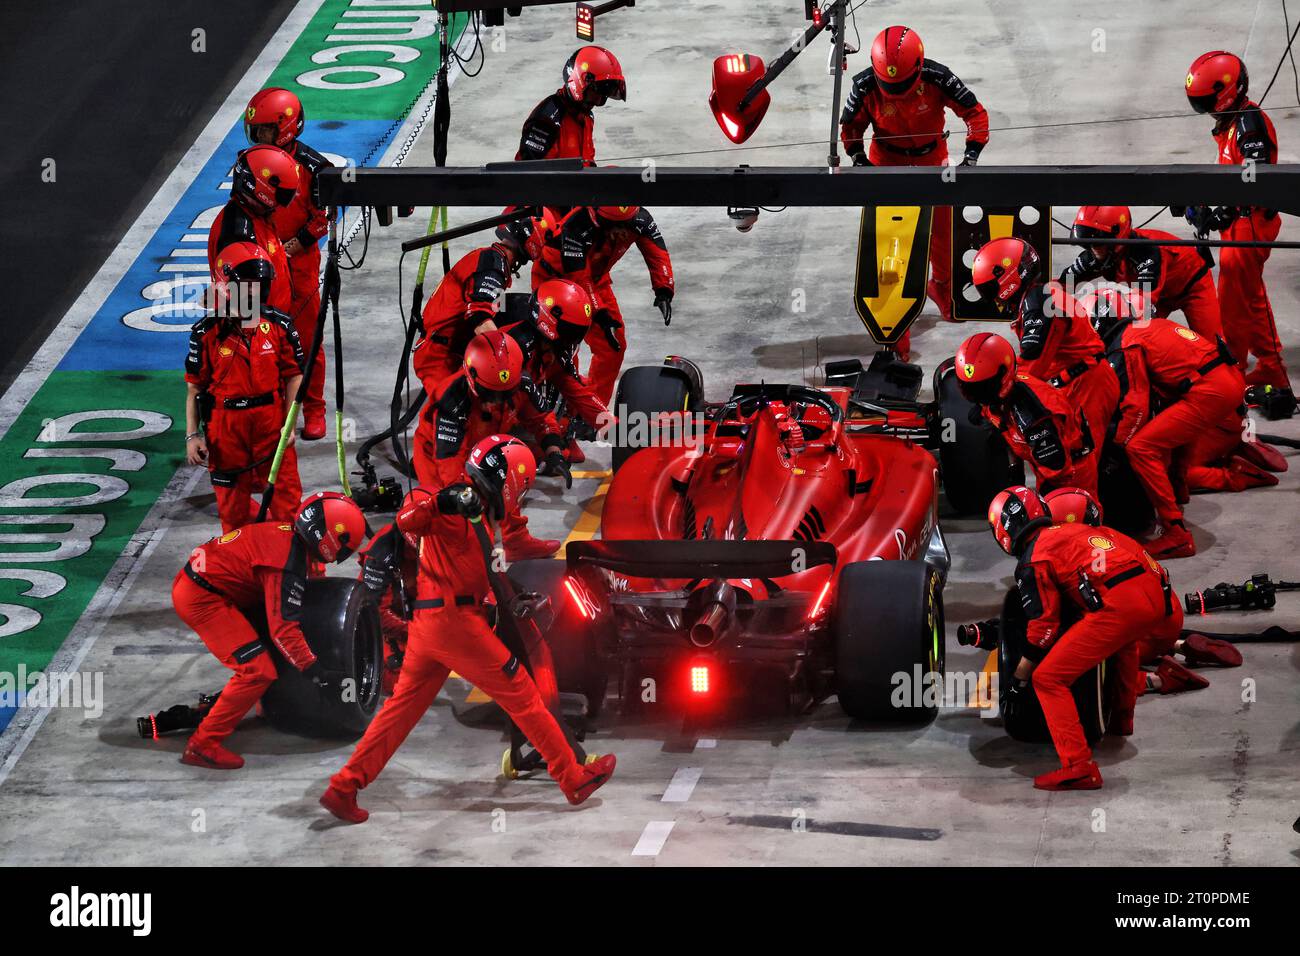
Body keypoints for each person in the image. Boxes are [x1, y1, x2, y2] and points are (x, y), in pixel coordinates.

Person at [320, 436, 616, 823]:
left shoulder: (478, 512)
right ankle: (572, 778)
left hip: (434, 627)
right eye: (521, 488)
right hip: (454, 626)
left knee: (399, 713)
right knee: (523, 694)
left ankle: (343, 787)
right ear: (510, 481)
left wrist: (509, 599)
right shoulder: (453, 500)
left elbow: (482, 572)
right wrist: (442, 502)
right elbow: (409, 516)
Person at [989, 486, 1188, 790]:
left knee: (1049, 680)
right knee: (1125, 643)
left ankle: (1078, 766)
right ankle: (1122, 722)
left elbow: (1044, 628)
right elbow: (1137, 554)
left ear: (1004, 529)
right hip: (1160, 600)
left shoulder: (1033, 560)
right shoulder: (1080, 530)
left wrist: (1019, 679)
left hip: (1119, 607)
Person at [172, 491, 367, 769]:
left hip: (209, 584)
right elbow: (283, 632)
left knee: (269, 655)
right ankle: (202, 745)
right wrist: (317, 673)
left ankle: (260, 703)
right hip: (203, 598)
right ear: (330, 540)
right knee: (256, 670)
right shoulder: (286, 563)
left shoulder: (287, 536)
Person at [840, 25, 989, 357]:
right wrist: (858, 159)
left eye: (904, 84)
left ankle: (943, 288)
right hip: (886, 168)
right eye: (889, 85)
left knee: (942, 235)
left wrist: (971, 156)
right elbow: (850, 127)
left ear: (919, 67)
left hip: (933, 164)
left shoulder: (939, 77)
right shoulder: (864, 85)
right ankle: (896, 326)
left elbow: (975, 114)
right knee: (892, 245)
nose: (897, 91)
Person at [1093, 290, 1245, 558]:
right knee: (1173, 413)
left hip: (1211, 392)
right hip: (1228, 383)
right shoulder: (1150, 327)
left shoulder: (1124, 343)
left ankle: (1176, 534)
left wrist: (1116, 444)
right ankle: (1179, 488)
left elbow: (1135, 406)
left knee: (1140, 448)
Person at [1184, 50, 1292, 399]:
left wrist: (1224, 212)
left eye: (1209, 104)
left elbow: (1254, 177)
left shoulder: (1248, 127)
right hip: (1242, 222)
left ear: (1227, 94)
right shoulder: (1232, 123)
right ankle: (1271, 370)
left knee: (1233, 304)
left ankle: (1232, 374)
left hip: (1250, 225)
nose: (1209, 112)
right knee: (1251, 299)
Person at [1041, 486, 1240, 673]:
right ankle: (1174, 646)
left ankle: (1156, 679)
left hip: (1144, 629)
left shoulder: (1075, 556)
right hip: (1166, 615)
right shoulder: (1115, 537)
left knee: (1068, 665)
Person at [413, 331, 568, 560]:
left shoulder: (521, 383)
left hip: (486, 443)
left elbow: (541, 419)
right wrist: (469, 499)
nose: (499, 402)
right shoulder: (452, 402)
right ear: (472, 378)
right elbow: (450, 469)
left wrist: (553, 449)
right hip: (438, 454)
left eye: (506, 394)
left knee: (509, 472)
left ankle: (516, 540)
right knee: (455, 520)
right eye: (492, 394)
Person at [185, 243, 304, 531]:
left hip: (272, 425)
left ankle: (294, 573)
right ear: (225, 285)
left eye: (258, 284)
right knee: (233, 515)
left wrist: (290, 423)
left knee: (286, 509)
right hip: (226, 432)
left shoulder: (280, 325)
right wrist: (192, 436)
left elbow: (294, 376)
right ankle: (242, 571)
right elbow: (194, 390)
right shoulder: (205, 333)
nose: (254, 291)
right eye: (247, 284)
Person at [244, 87, 334, 441]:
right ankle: (266, 406)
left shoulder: (314, 167)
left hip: (298, 264)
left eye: (264, 130)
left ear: (284, 127)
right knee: (254, 335)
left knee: (307, 338)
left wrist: (293, 246)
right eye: (255, 130)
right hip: (257, 260)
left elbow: (323, 216)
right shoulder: (249, 161)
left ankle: (313, 408)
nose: (257, 137)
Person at [971, 237, 1118, 449]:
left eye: (988, 289)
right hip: (1079, 382)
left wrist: (988, 396)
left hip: (1088, 388)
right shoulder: (1037, 297)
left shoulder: (1040, 304)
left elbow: (1033, 365)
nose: (990, 298)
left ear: (1008, 280)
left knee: (1080, 464)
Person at [531, 205, 676, 406]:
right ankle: (552, 406)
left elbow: (657, 251)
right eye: (616, 226)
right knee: (560, 347)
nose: (622, 232)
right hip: (556, 280)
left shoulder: (639, 218)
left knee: (613, 346)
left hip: (596, 279)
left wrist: (664, 290)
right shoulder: (575, 226)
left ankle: (591, 411)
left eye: (627, 224)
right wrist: (600, 314)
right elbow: (579, 278)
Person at [954, 332, 1099, 497]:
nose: (977, 398)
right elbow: (1004, 427)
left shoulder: (1034, 417)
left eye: (981, 389)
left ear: (1002, 377)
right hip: (1045, 467)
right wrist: (1015, 471)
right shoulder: (994, 397)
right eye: (970, 390)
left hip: (1071, 475)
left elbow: (1058, 471)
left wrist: (1044, 499)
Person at [410, 217, 544, 393]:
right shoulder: (493, 268)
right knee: (455, 413)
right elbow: (480, 318)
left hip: (450, 346)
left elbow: (497, 310)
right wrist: (508, 362)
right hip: (439, 358)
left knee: (528, 308)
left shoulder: (494, 260)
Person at [1060, 205, 1222, 340]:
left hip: (1192, 288)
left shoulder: (1149, 254)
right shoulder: (1098, 253)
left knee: (1214, 347)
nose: (1093, 249)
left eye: (1097, 242)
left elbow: (1141, 309)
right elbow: (1061, 284)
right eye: (1088, 242)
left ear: (1117, 236)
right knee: (1134, 340)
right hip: (1158, 296)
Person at [502, 278, 612, 465]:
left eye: (578, 333)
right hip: (481, 414)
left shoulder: (550, 349)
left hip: (522, 410)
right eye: (570, 332)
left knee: (577, 384)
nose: (573, 340)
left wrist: (616, 426)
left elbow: (580, 394)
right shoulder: (509, 350)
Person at [207, 145, 299, 314]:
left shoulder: (256, 216)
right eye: (281, 195)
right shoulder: (239, 237)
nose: (281, 204)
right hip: (259, 332)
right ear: (263, 189)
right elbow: (246, 313)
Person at [516, 46, 626, 163]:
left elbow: (586, 165)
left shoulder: (586, 117)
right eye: (595, 94)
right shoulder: (546, 121)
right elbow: (529, 176)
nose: (597, 102)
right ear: (579, 84)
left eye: (604, 97)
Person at [357, 519, 419, 694]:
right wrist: (416, 632)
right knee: (399, 682)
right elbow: (375, 613)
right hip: (396, 623)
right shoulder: (381, 554)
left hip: (423, 611)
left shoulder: (444, 541)